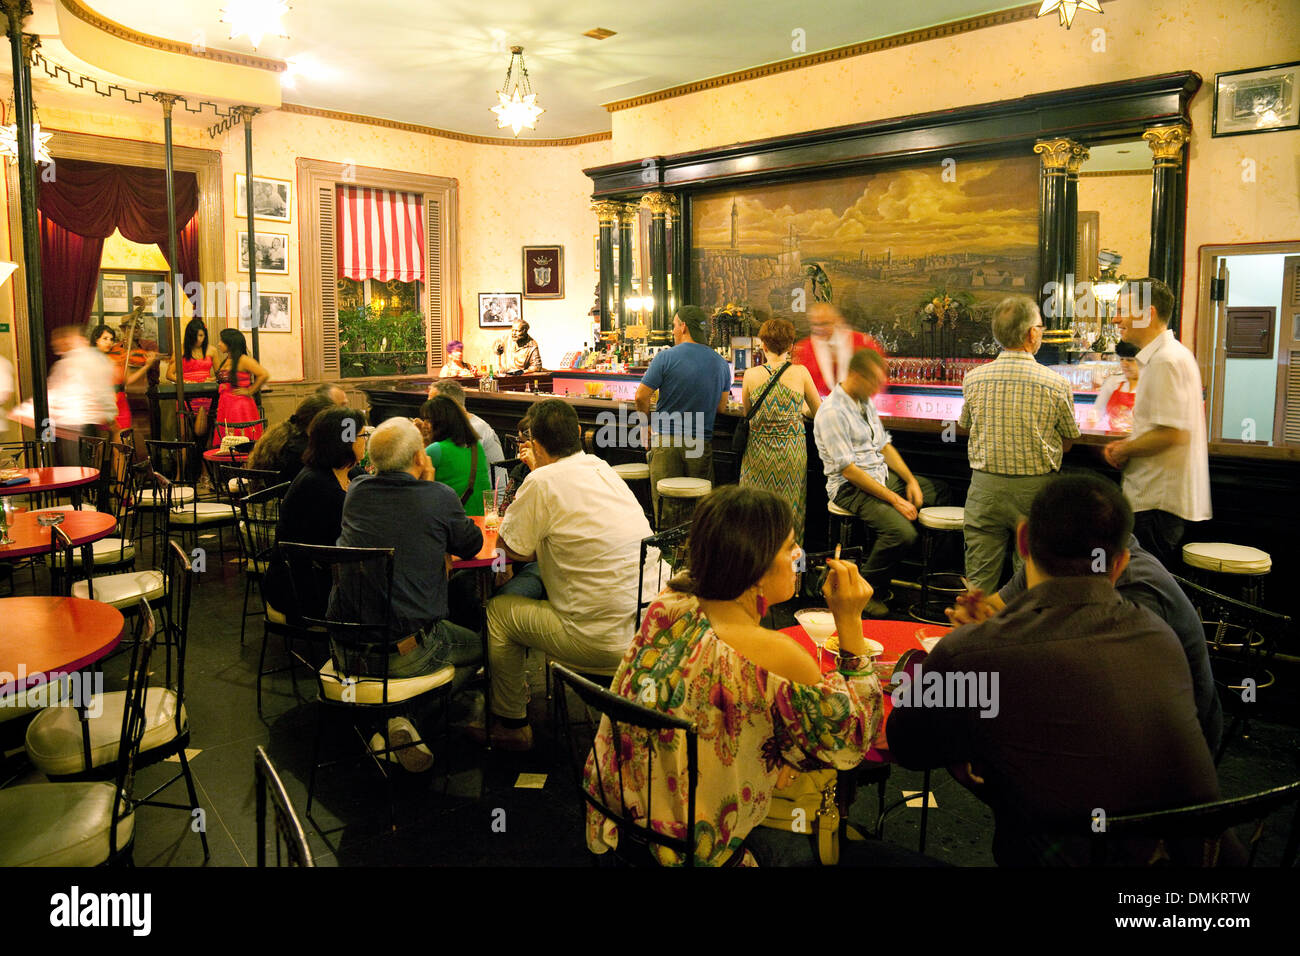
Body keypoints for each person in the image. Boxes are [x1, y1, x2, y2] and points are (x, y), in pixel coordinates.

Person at [887, 474, 1221, 866]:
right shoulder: (1159, 637)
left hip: (1076, 842)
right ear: (1119, 562)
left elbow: (906, 743)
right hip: (1182, 850)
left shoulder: (968, 654)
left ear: (1023, 540)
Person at [584, 485, 882, 866]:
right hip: (696, 851)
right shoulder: (777, 656)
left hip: (622, 823)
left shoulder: (671, 603)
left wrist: (784, 753)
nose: (799, 557)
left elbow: (713, 704)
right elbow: (853, 740)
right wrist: (850, 621)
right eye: (789, 547)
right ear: (755, 566)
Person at [948, 530, 1223, 754]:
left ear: (1117, 563)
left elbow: (1097, 692)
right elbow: (998, 608)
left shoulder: (1134, 595)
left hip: (1163, 747)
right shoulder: (1052, 553)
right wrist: (979, 616)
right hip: (1107, 714)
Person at [481, 399, 653, 751]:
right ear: (577, 433)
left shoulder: (541, 481)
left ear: (536, 445)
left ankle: (512, 725)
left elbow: (508, 546)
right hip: (649, 628)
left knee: (497, 615)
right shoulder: (602, 468)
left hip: (598, 639)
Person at [329, 417, 484, 772]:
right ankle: (410, 719)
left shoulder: (356, 494)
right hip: (403, 651)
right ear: (419, 456)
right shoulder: (439, 497)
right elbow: (471, 545)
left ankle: (386, 721)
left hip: (343, 649)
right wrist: (431, 485)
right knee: (483, 647)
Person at [813, 347, 949, 616]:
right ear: (855, 375)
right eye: (873, 381)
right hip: (849, 488)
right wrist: (896, 500)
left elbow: (884, 447)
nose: (877, 388)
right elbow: (850, 471)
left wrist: (910, 481)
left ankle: (929, 578)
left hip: (879, 477)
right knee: (901, 533)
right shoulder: (832, 412)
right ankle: (864, 588)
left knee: (940, 492)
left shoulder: (863, 403)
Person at [957, 295, 1080, 593]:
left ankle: (971, 636)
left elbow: (965, 426)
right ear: (1031, 334)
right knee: (1029, 582)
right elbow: (1068, 440)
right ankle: (1021, 637)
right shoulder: (1055, 383)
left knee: (978, 582)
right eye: (1040, 326)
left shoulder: (973, 379)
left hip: (985, 489)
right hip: (1035, 492)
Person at [1102, 278, 1211, 568]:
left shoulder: (1165, 360)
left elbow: (1172, 434)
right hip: (1157, 500)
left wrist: (1123, 449)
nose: (1115, 318)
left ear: (1148, 314)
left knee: (1144, 592)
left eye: (1122, 310)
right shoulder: (1167, 356)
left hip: (1155, 502)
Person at [262, 406, 368, 619]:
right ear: (345, 440)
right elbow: (343, 540)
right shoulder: (316, 483)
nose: (366, 440)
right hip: (302, 586)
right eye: (363, 435)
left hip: (327, 571)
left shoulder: (352, 472)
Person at [634, 305, 732, 525]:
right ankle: (695, 553)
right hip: (699, 442)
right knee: (700, 508)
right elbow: (722, 408)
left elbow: (641, 396)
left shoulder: (665, 358)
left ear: (684, 326)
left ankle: (665, 556)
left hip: (666, 440)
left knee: (665, 505)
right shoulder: (721, 363)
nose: (673, 330)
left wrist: (645, 425)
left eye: (675, 325)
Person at [739, 318, 821, 544]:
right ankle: (790, 570)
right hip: (791, 454)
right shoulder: (801, 373)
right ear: (790, 346)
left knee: (755, 512)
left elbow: (749, 414)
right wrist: (800, 409)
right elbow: (819, 411)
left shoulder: (750, 375)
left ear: (763, 345)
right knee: (789, 511)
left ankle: (755, 567)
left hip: (757, 453)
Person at [45, 326, 117, 460]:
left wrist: (109, 414)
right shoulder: (73, 361)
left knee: (80, 464)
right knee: (84, 463)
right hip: (76, 423)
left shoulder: (81, 361)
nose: (55, 344)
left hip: (77, 421)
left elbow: (100, 389)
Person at [792, 302, 886, 397]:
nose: (819, 328)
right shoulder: (804, 349)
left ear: (836, 320)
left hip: (856, 405)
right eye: (815, 324)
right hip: (819, 409)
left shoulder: (861, 342)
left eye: (824, 323)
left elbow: (877, 375)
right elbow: (799, 385)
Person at [427, 378, 505, 488]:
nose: (428, 408)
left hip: (492, 500)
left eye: (432, 403)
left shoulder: (474, 429)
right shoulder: (461, 426)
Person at [90, 322, 158, 443]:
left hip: (121, 403)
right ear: (96, 339)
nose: (109, 342)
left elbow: (128, 379)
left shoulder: (118, 356)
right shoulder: (92, 359)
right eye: (105, 339)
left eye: (111, 339)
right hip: (103, 404)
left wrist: (146, 366)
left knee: (121, 446)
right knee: (100, 449)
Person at [248, 394, 336, 486]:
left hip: (270, 492)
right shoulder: (301, 449)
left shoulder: (283, 434)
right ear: (318, 421)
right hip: (286, 495)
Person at [212, 328, 270, 448]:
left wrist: (250, 391)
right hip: (226, 404)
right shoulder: (227, 359)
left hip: (240, 407)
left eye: (222, 341)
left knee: (241, 443)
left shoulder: (243, 360)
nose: (219, 344)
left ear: (230, 343)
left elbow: (263, 374)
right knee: (227, 444)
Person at [167, 317, 216, 438]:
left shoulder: (212, 350)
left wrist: (213, 379)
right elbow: (169, 374)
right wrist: (184, 381)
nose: (200, 339)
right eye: (197, 336)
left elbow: (220, 374)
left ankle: (204, 454)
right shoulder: (181, 349)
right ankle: (186, 455)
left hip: (206, 393)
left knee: (207, 429)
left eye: (202, 335)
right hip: (187, 392)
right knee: (185, 431)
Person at [1092, 339, 1141, 433]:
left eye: (1130, 360)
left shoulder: (1149, 384)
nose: (1124, 364)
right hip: (1112, 438)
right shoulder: (1113, 382)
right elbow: (1098, 411)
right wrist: (1092, 420)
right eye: (1122, 359)